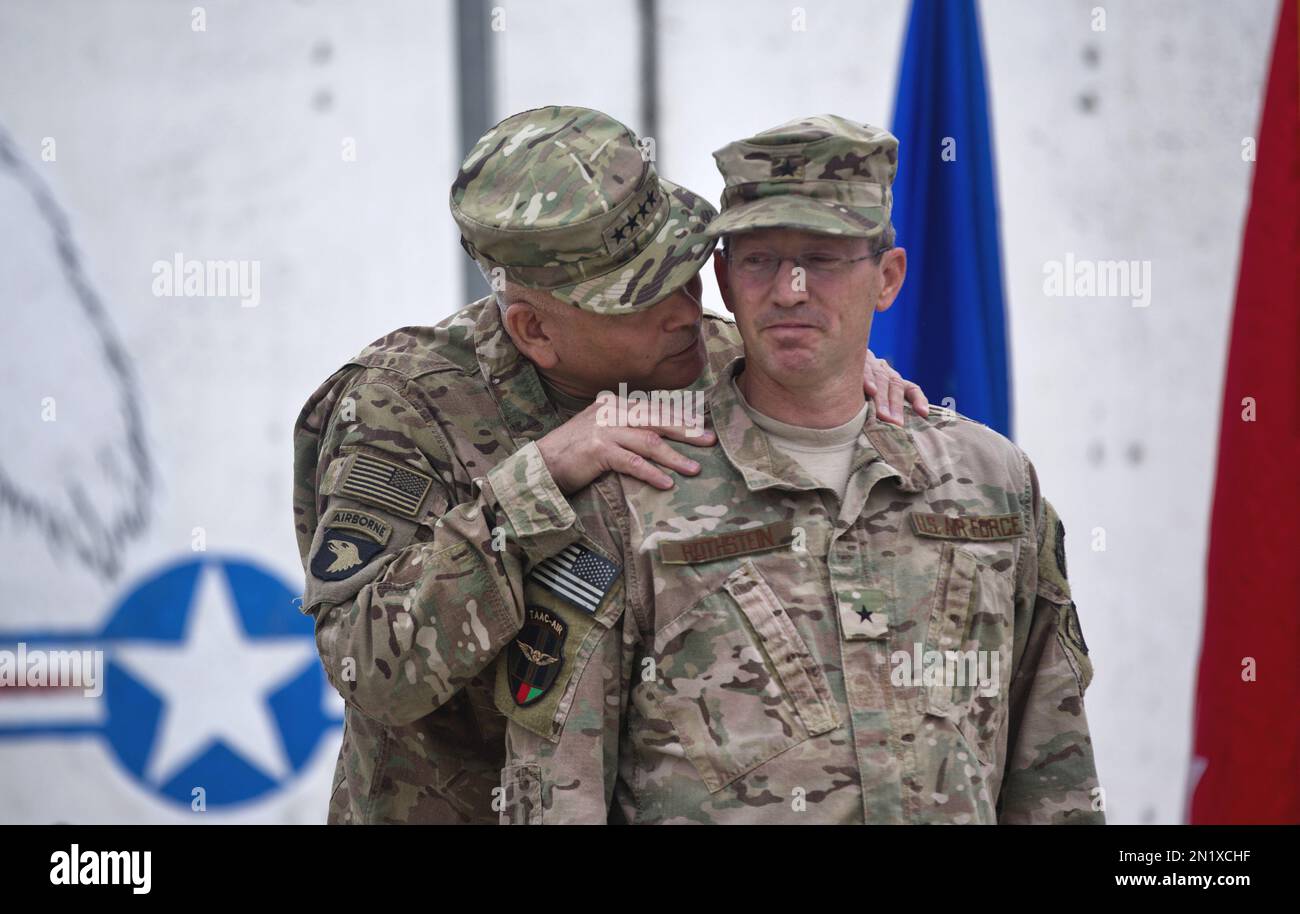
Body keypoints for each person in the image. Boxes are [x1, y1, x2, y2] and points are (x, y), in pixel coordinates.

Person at [291, 106, 929, 823]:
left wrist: (837, 376)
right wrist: (535, 484)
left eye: (688, 272)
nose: (688, 311)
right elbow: (372, 667)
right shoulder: (406, 406)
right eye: (643, 298)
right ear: (533, 329)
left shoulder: (717, 360)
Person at [497, 115, 1103, 824]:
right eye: (759, 260)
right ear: (722, 280)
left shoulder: (992, 483)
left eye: (823, 258)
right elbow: (555, 788)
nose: (789, 290)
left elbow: (1053, 769)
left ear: (887, 278)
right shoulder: (632, 492)